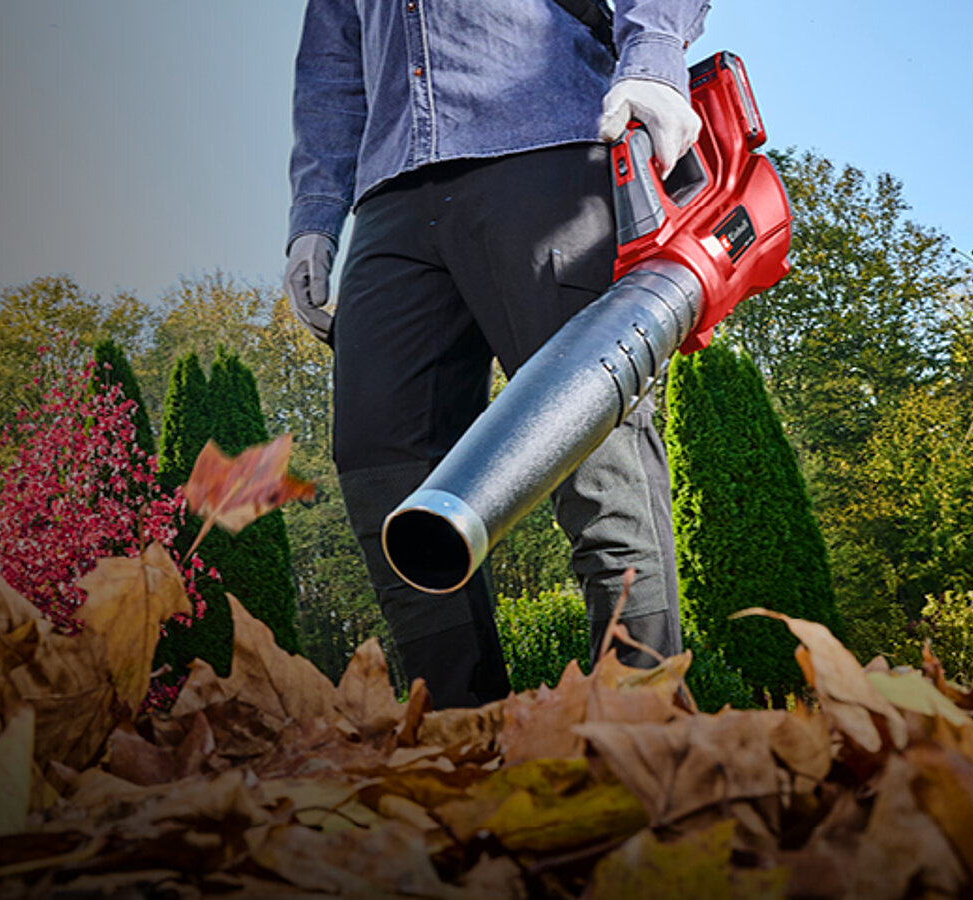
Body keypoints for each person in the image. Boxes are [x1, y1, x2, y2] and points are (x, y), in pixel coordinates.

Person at [285, 0, 710, 708]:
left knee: (595, 455)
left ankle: (642, 718)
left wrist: (655, 58)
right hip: (390, 193)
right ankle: (457, 731)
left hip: (546, 146)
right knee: (384, 465)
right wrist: (314, 213)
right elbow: (332, 61)